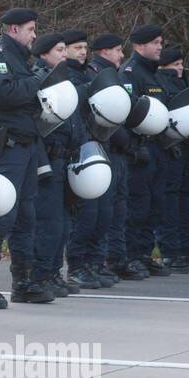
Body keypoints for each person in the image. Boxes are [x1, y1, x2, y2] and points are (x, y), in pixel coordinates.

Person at [0, 7, 55, 307]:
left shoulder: (22, 59)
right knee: (2, 213)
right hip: (9, 148)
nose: (35, 35)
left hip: (27, 145)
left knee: (26, 215)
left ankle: (23, 279)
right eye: (31, 29)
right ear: (14, 30)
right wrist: (37, 83)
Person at [32, 32, 84, 298]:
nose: (65, 55)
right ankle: (41, 274)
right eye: (59, 50)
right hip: (49, 159)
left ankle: (53, 272)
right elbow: (36, 126)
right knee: (49, 222)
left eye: (66, 50)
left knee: (63, 222)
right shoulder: (42, 81)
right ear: (43, 55)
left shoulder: (66, 81)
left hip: (66, 158)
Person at [61, 29, 112, 289]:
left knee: (102, 212)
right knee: (85, 213)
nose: (82, 52)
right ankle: (77, 266)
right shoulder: (64, 76)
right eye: (76, 47)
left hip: (96, 145)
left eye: (84, 47)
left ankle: (94, 263)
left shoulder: (89, 74)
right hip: (77, 149)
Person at [120, 24, 171, 277]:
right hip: (139, 150)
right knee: (137, 205)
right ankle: (131, 255)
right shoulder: (130, 72)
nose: (160, 47)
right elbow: (127, 112)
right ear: (140, 46)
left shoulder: (154, 74)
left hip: (158, 148)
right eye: (155, 43)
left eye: (161, 42)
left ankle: (144, 253)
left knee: (155, 204)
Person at [86, 33, 133, 283]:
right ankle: (95, 261)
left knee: (116, 208)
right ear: (104, 52)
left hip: (119, 152)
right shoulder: (97, 74)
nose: (121, 55)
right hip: (105, 148)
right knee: (101, 210)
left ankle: (110, 259)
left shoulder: (113, 74)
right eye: (117, 50)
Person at [155, 45, 189, 273]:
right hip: (170, 149)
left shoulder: (185, 83)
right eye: (175, 65)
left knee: (187, 201)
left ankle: (187, 248)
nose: (180, 68)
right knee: (170, 202)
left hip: (187, 149)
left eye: (181, 64)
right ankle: (171, 250)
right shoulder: (162, 82)